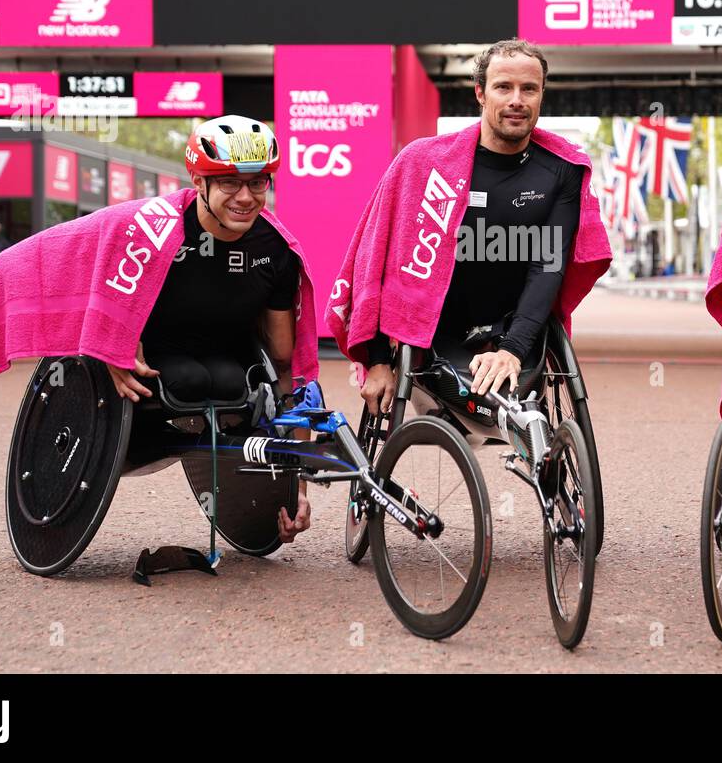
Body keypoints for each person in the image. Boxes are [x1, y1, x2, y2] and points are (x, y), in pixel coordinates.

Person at [331, 39, 607, 419]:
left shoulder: (563, 170)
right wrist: (379, 360)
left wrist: (512, 349)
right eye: (503, 87)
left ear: (542, 95)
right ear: (480, 93)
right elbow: (378, 262)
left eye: (529, 89)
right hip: (434, 330)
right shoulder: (422, 164)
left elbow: (548, 267)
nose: (517, 100)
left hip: (514, 328)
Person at [104, 115, 313, 544]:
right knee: (188, 378)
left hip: (223, 359)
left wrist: (297, 486)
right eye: (229, 183)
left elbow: (286, 368)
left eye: (258, 183)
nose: (246, 197)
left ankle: (208, 437)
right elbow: (100, 297)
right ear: (198, 181)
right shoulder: (156, 230)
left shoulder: (275, 250)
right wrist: (112, 347)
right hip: (154, 361)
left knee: (232, 380)